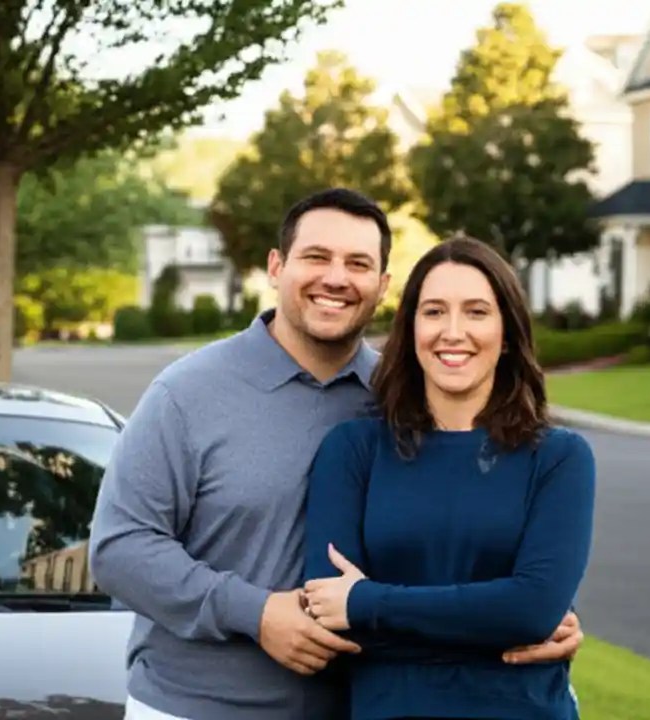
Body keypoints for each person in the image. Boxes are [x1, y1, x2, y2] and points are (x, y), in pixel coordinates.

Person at [88, 190, 584, 720]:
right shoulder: (187, 393)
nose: (336, 278)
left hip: (345, 704)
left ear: (383, 287)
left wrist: (541, 613)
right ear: (277, 267)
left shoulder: (402, 396)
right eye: (317, 257)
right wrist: (255, 613)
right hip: (200, 705)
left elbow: (462, 541)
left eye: (358, 264)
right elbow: (120, 548)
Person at [300, 235, 597, 720]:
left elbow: (534, 609)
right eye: (434, 311)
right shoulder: (354, 449)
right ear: (410, 328)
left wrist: (369, 601)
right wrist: (494, 618)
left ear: (507, 335)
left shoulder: (559, 457)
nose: (452, 331)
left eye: (476, 312)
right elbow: (333, 618)